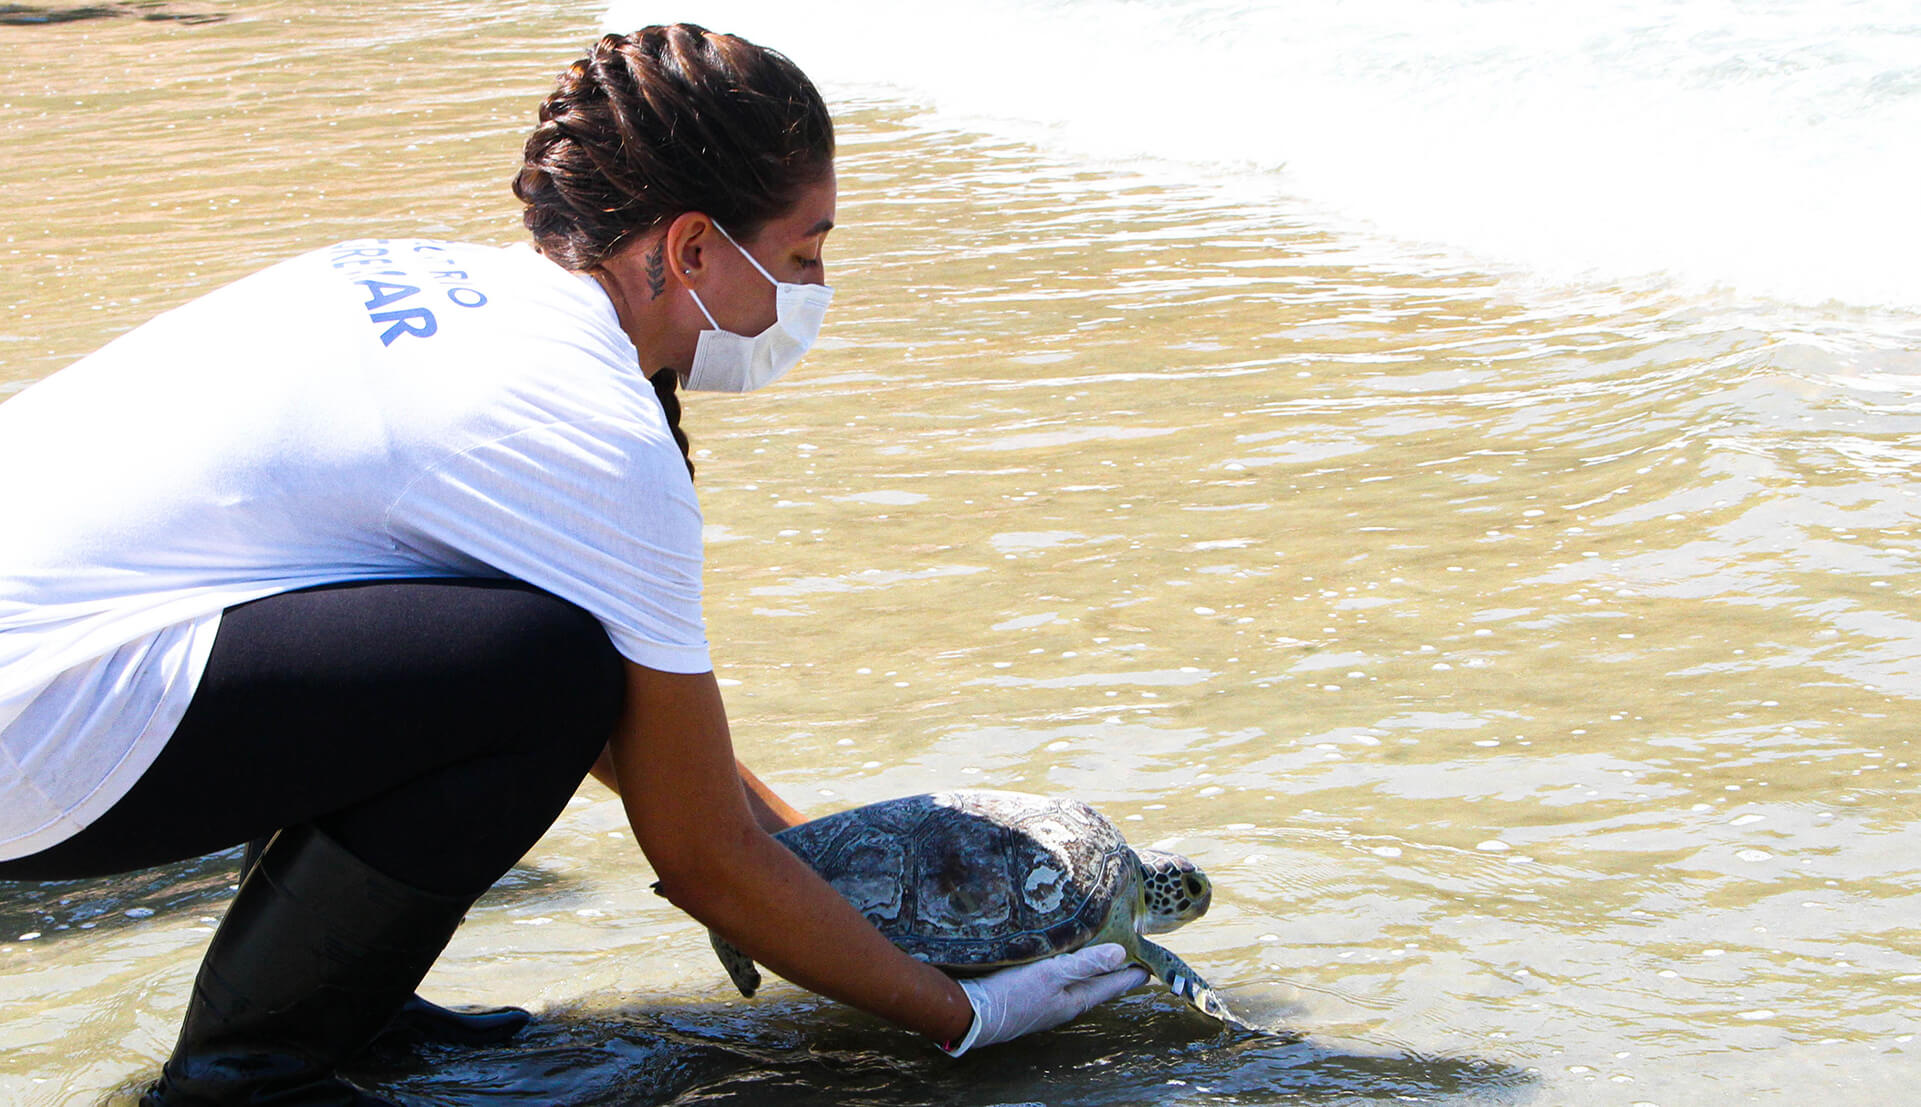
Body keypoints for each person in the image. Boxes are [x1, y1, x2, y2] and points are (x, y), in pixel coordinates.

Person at [0, 23, 1146, 1106]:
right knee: (549, 666)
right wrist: (960, 1013)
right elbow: (698, 851)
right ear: (692, 246)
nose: (810, 295)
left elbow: (646, 760)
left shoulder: (420, 280)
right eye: (803, 254)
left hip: (48, 662)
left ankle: (347, 1008)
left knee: (513, 647)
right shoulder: (590, 434)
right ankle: (252, 1076)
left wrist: (807, 870)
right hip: (32, 740)